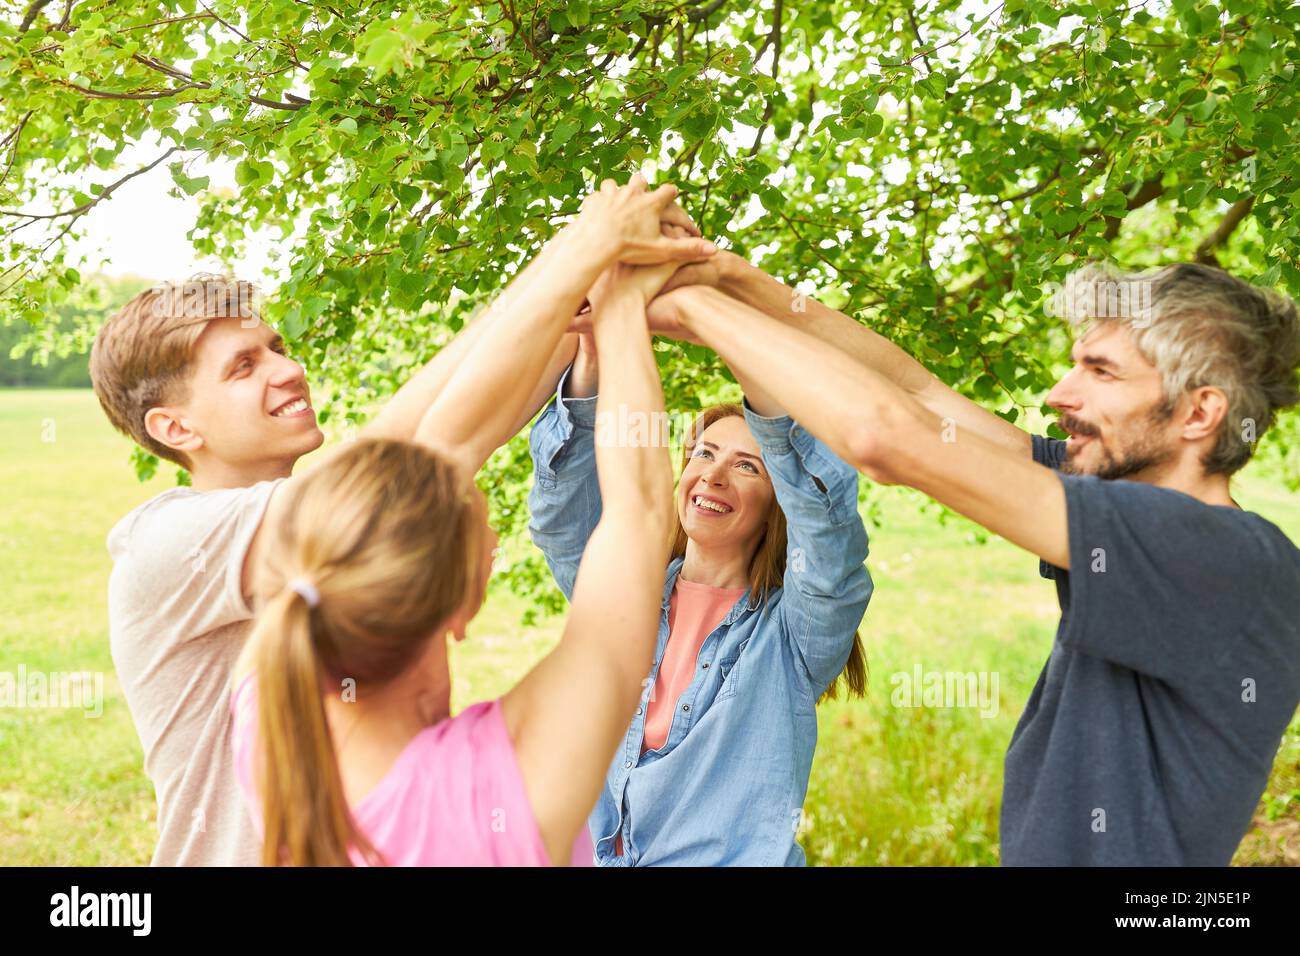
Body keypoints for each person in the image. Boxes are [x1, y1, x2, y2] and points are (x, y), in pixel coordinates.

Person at [90, 174, 712, 865]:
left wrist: (590, 292)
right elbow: (433, 445)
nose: (287, 370)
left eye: (276, 347)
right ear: (172, 426)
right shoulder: (165, 545)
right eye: (242, 367)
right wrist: (591, 261)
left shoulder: (265, 708)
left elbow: (454, 434)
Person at [648, 256, 1300, 865]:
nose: (1058, 393)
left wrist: (699, 308)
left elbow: (886, 437)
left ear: (1199, 412)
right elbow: (916, 392)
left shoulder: (1223, 559)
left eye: (1100, 372)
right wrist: (733, 278)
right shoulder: (1113, 497)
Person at [529, 320, 873, 866]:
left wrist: (728, 329)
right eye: (705, 454)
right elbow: (562, 522)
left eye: (747, 466)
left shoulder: (794, 635)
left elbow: (829, 542)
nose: (713, 477)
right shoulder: (624, 594)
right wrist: (592, 359)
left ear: (778, 504)